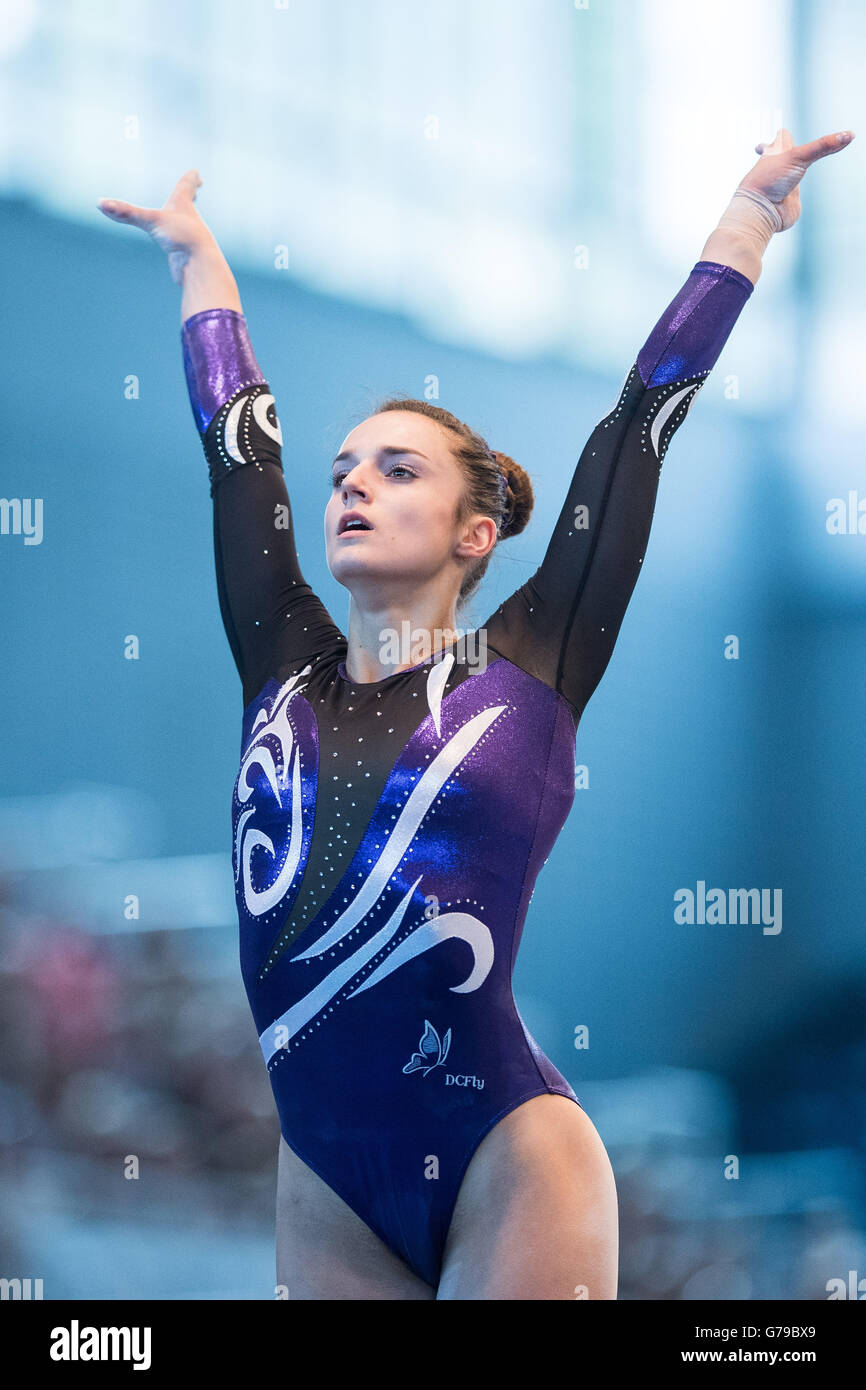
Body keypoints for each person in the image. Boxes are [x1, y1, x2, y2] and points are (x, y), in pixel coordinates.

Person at [98, 125, 853, 1300]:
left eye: (397, 469)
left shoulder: (533, 663)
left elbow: (636, 429)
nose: (351, 481)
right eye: (346, 465)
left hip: (510, 1156)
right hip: (324, 1178)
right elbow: (237, 448)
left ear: (474, 532)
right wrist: (198, 266)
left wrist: (745, 222)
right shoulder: (280, 663)